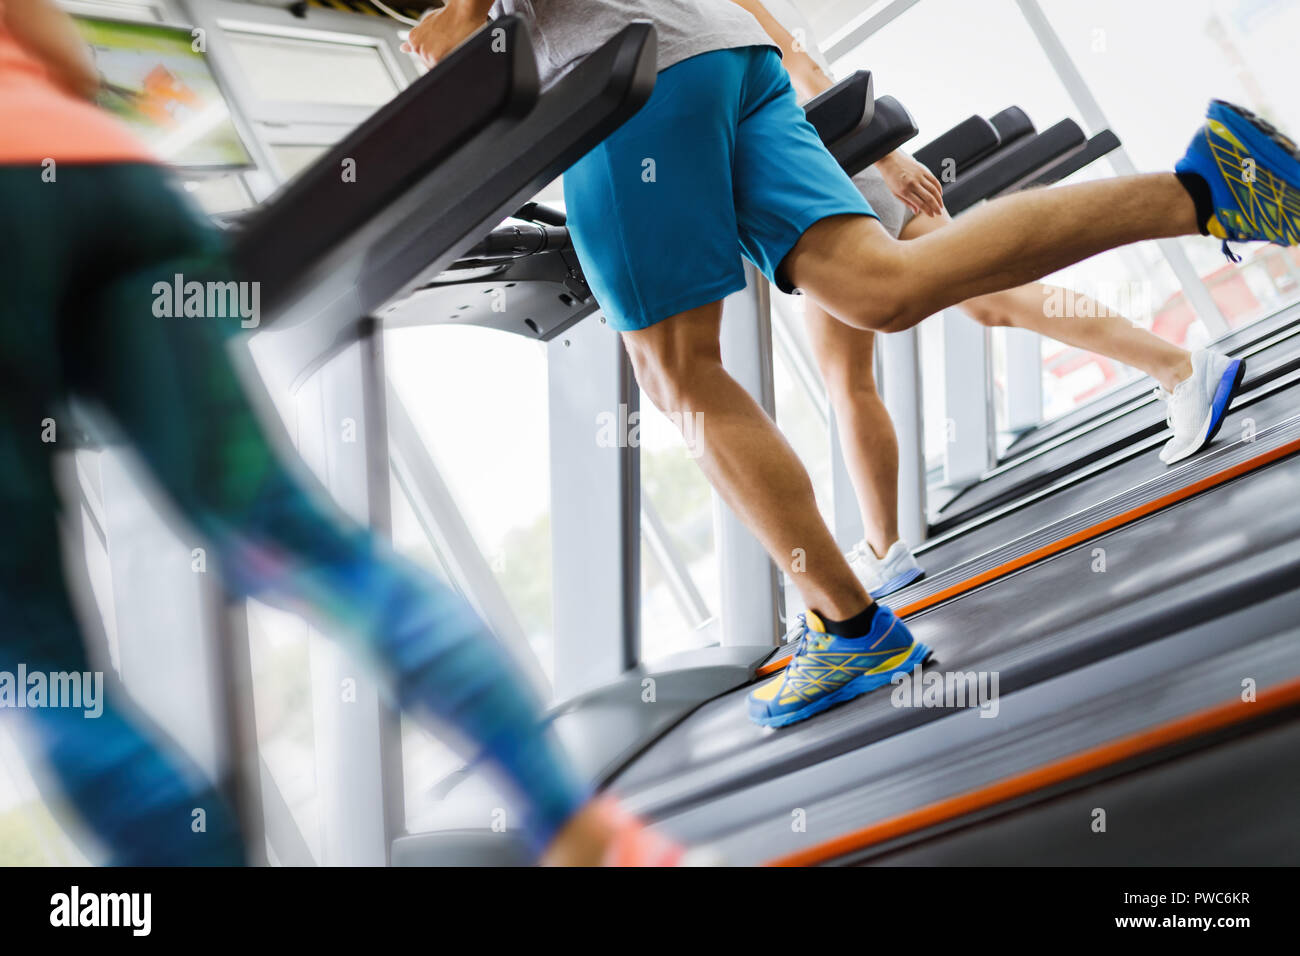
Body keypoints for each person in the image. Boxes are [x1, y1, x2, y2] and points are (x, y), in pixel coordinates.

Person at [406, 0, 1300, 729]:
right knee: (882, 287)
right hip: (724, 51)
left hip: (621, 82)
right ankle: (1205, 188)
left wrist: (464, 32)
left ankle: (849, 624)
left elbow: (482, 40)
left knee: (675, 373)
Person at [0, 0, 688, 866]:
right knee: (309, 547)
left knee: (36, 662)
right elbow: (56, 48)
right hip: (110, 179)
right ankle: (595, 842)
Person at [736, 0, 1244, 598]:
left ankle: (884, 550)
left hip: (823, 180)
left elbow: (804, 70)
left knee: (854, 375)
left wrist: (889, 157)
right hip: (829, 175)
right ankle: (1176, 367)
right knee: (986, 302)